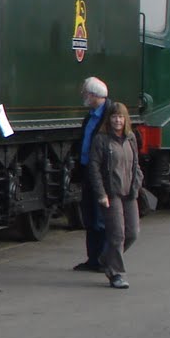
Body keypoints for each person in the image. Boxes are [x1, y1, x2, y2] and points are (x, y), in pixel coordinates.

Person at [87, 101, 141, 289]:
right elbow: (93, 168)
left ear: (126, 119)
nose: (117, 120)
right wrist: (101, 194)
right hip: (111, 194)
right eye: (114, 117)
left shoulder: (131, 138)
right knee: (117, 235)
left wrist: (137, 183)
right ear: (108, 120)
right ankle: (116, 274)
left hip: (129, 192)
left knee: (132, 233)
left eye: (120, 117)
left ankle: (106, 257)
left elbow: (136, 165)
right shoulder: (101, 140)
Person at [72, 77, 111, 272]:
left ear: (94, 95)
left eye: (86, 94)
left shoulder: (110, 116)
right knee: (89, 216)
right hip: (87, 170)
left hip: (101, 174)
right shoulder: (91, 115)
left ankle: (103, 259)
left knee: (100, 218)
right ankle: (93, 259)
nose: (84, 97)